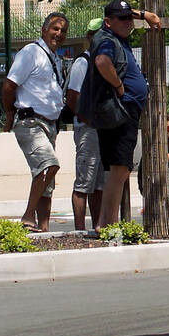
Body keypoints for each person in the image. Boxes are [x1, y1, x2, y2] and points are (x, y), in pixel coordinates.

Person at [93, 0, 161, 229]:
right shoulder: (107, 40)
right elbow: (102, 62)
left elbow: (122, 12)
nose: (128, 22)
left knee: (118, 169)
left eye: (129, 18)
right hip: (122, 109)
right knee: (120, 168)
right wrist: (120, 87)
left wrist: (144, 14)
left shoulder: (116, 36)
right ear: (108, 22)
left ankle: (106, 222)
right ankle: (107, 224)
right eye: (122, 19)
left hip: (125, 109)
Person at [3, 12, 68, 232]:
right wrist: (9, 114)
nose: (58, 34)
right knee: (49, 165)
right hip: (30, 122)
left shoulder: (55, 58)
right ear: (44, 30)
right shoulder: (31, 52)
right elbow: (9, 85)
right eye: (55, 29)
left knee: (46, 182)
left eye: (63, 31)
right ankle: (27, 216)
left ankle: (44, 228)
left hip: (50, 124)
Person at [64, 17, 107, 232]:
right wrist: (91, 120)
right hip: (87, 130)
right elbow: (73, 99)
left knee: (99, 184)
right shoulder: (83, 62)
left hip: (101, 129)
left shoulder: (104, 61)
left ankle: (98, 226)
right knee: (84, 183)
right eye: (96, 34)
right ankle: (80, 230)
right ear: (90, 37)